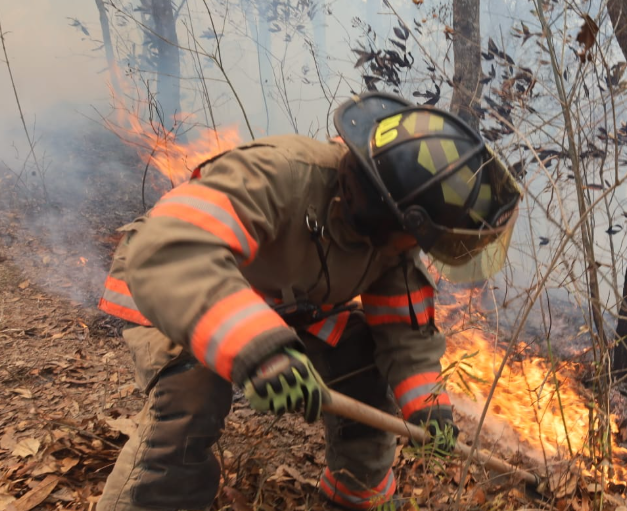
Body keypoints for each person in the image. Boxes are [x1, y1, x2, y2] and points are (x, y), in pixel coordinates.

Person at [95, 92, 521, 511]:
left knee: (363, 361)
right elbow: (173, 249)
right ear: (386, 212)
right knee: (190, 398)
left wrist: (430, 410)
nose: (420, 249)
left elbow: (404, 331)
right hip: (178, 286)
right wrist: (261, 350)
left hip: (283, 302)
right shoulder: (277, 173)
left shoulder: (389, 239)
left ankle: (355, 498)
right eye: (421, 237)